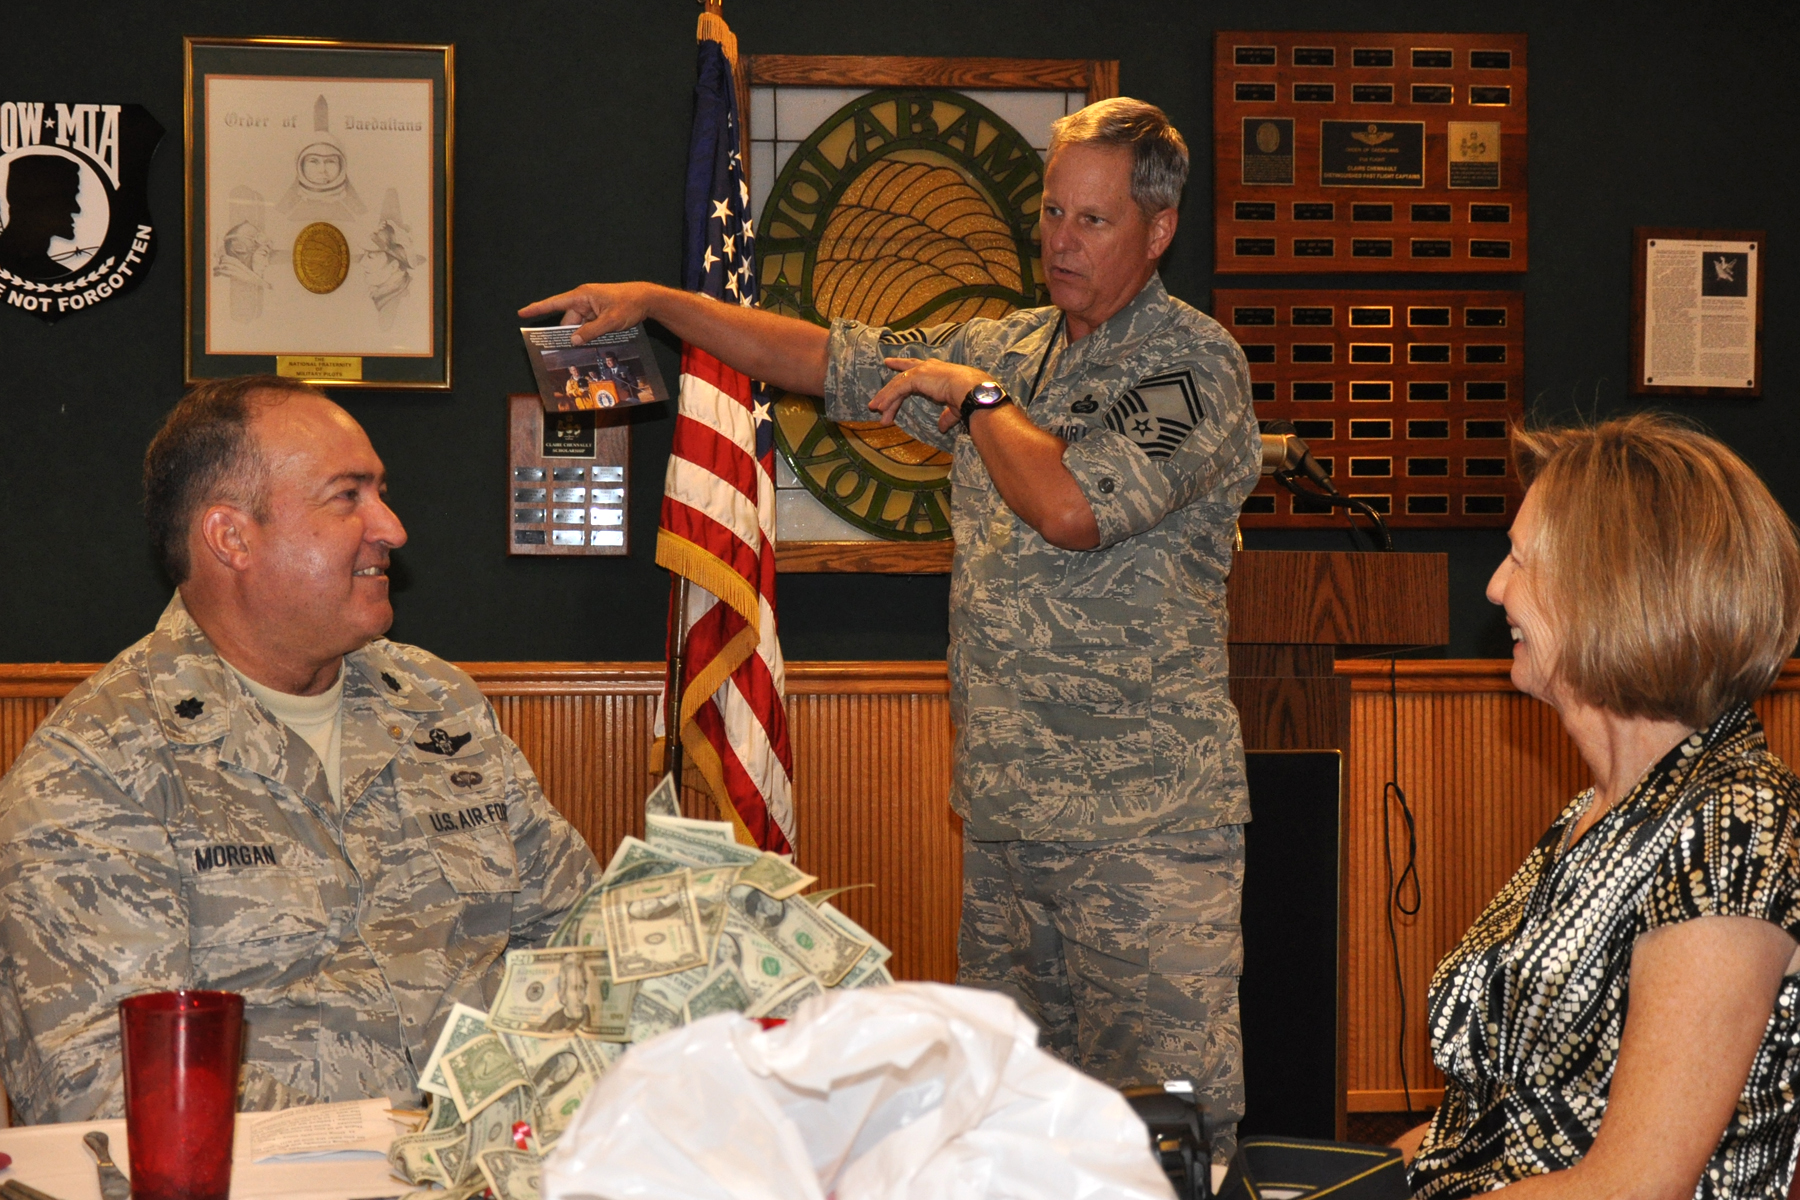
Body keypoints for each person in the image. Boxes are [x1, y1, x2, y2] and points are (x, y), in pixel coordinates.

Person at [521, 97, 1260, 1154]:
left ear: (1159, 228)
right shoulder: (1009, 343)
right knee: (1008, 1134)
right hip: (1006, 824)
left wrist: (979, 404)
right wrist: (661, 303)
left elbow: (1073, 509)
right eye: (1052, 211)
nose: (1059, 239)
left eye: (1092, 220)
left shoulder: (1192, 365)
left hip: (1142, 837)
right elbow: (819, 357)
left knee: (1163, 1135)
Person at [0, 376, 601, 1124]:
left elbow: (582, 935)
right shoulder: (98, 769)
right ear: (231, 538)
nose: (392, 526)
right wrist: (404, 1147)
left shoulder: (437, 706)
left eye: (381, 491)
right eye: (348, 496)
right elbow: (111, 1088)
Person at [1399, 414, 1800, 1198]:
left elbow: (1634, 1187)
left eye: (1522, 558)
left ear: (1615, 588)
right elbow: (1494, 1125)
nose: (1494, 587)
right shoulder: (1603, 812)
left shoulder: (1731, 826)